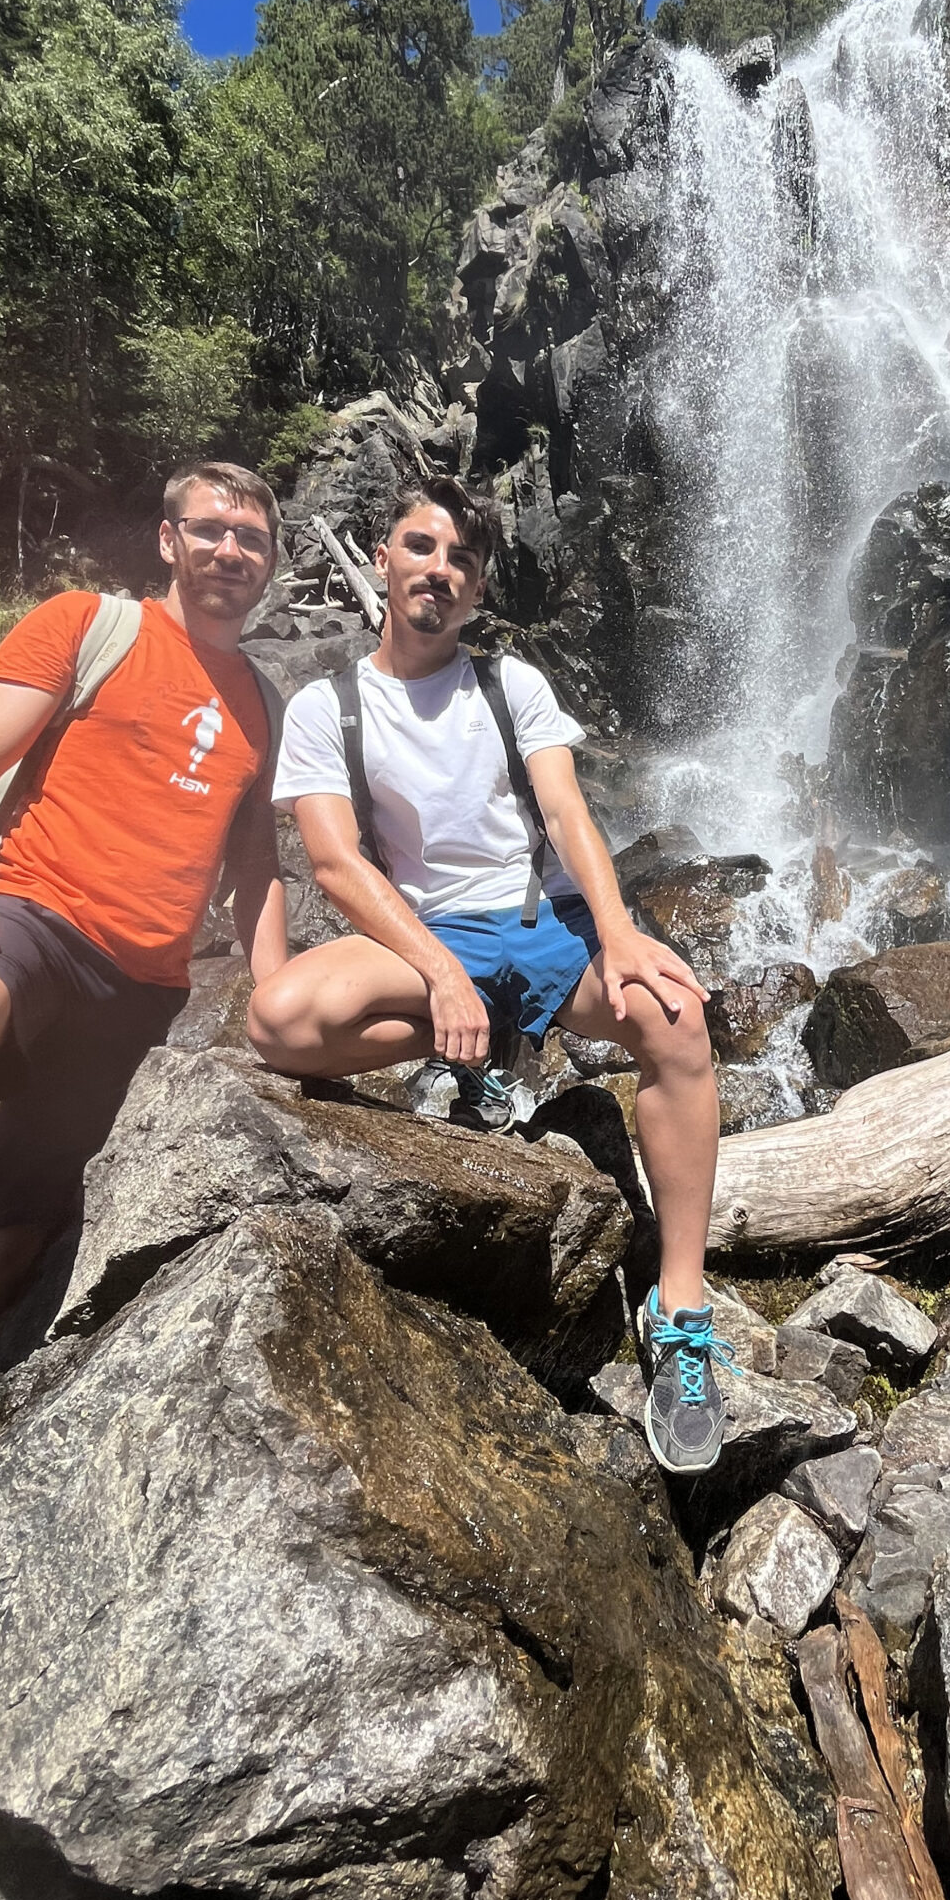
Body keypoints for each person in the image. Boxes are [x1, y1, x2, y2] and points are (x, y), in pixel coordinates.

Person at [247, 476, 731, 1474]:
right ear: (382, 559)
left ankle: (680, 1309)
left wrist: (622, 936)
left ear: (475, 587)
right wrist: (440, 977)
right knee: (281, 1019)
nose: (441, 567)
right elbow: (336, 863)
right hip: (425, 930)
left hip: (538, 918)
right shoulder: (325, 708)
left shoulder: (513, 687)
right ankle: (482, 1038)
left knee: (677, 1019)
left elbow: (566, 814)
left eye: (462, 557)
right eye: (421, 546)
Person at [0, 464, 288, 1378]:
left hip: (142, 990)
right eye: (210, 529)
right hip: (33, 921)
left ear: (271, 562)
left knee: (30, 1211)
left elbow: (255, 869)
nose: (229, 550)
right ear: (168, 539)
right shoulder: (90, 624)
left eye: (251, 538)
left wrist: (276, 996)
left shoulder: (264, 701)